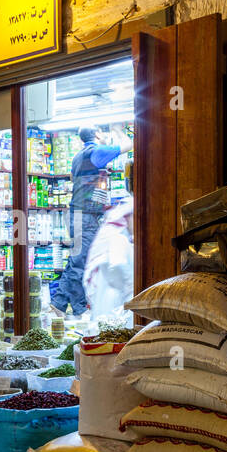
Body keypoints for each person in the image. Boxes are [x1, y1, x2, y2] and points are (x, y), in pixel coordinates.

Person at [51, 127, 132, 317]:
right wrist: (118, 129)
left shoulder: (79, 156)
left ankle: (59, 303)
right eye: (102, 133)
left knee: (76, 260)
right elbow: (129, 145)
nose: (104, 136)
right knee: (81, 261)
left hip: (79, 214)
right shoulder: (95, 152)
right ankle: (79, 308)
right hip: (85, 216)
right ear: (96, 134)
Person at [83, 198, 135, 323]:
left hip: (110, 299)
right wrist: (132, 288)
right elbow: (118, 265)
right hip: (113, 300)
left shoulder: (120, 237)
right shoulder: (117, 238)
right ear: (127, 217)